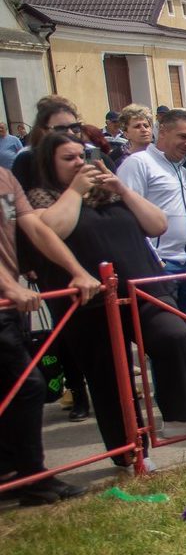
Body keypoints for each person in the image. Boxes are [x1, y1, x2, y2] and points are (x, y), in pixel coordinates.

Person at [23, 133, 186, 454]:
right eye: (68, 159)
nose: (79, 164)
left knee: (173, 335)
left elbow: (157, 225)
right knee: (110, 379)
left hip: (144, 291)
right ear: (49, 164)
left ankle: (180, 415)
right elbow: (52, 230)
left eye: (81, 156)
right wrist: (74, 191)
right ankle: (130, 454)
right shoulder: (41, 198)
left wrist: (122, 189)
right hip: (88, 305)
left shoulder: (110, 195)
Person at [116, 108, 186, 420]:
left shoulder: (184, 169)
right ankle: (175, 408)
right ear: (162, 133)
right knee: (166, 342)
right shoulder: (138, 165)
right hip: (161, 267)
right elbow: (127, 215)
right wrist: (151, 257)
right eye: (183, 137)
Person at [0, 166, 94, 505]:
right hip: (5, 298)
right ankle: (30, 476)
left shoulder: (5, 178)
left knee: (14, 388)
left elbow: (34, 228)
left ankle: (15, 472)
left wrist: (77, 271)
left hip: (8, 305)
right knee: (27, 386)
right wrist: (10, 285)